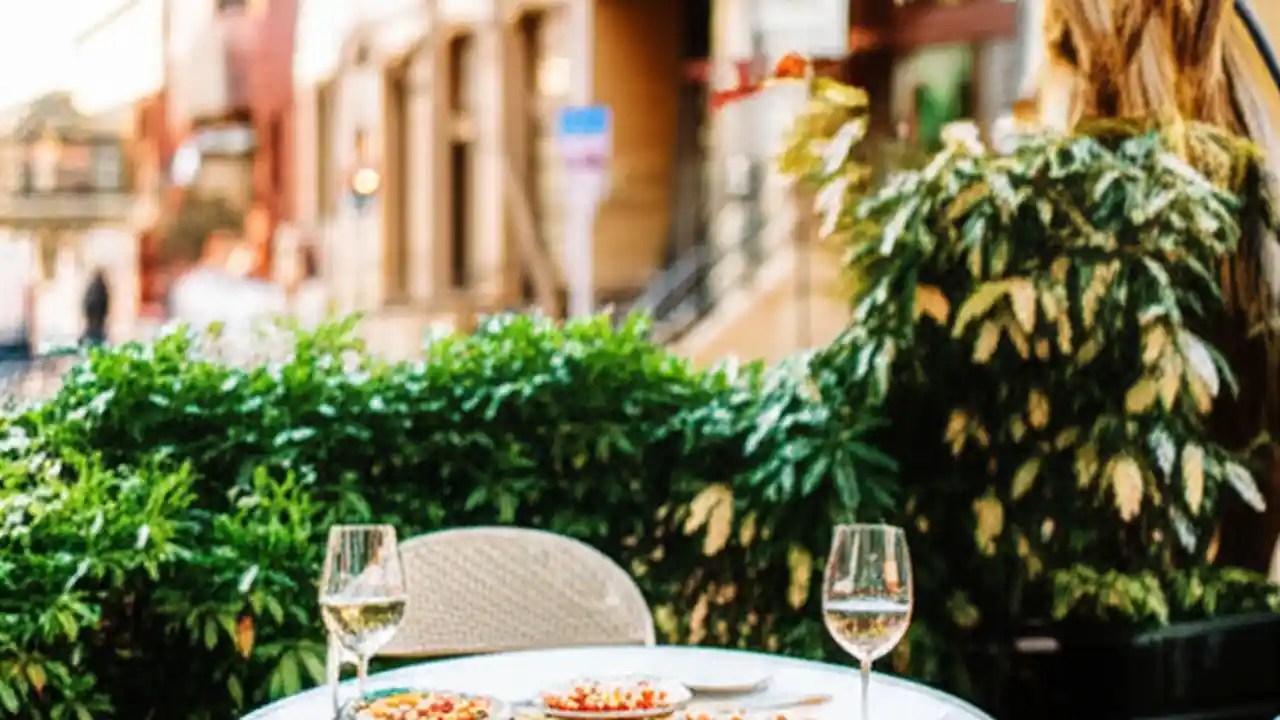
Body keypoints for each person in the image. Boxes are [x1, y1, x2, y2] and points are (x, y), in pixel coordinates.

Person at [82, 269, 109, 346]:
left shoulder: (96, 287)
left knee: (95, 331)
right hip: (96, 315)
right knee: (95, 331)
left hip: (96, 315)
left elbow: (88, 301)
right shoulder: (99, 287)